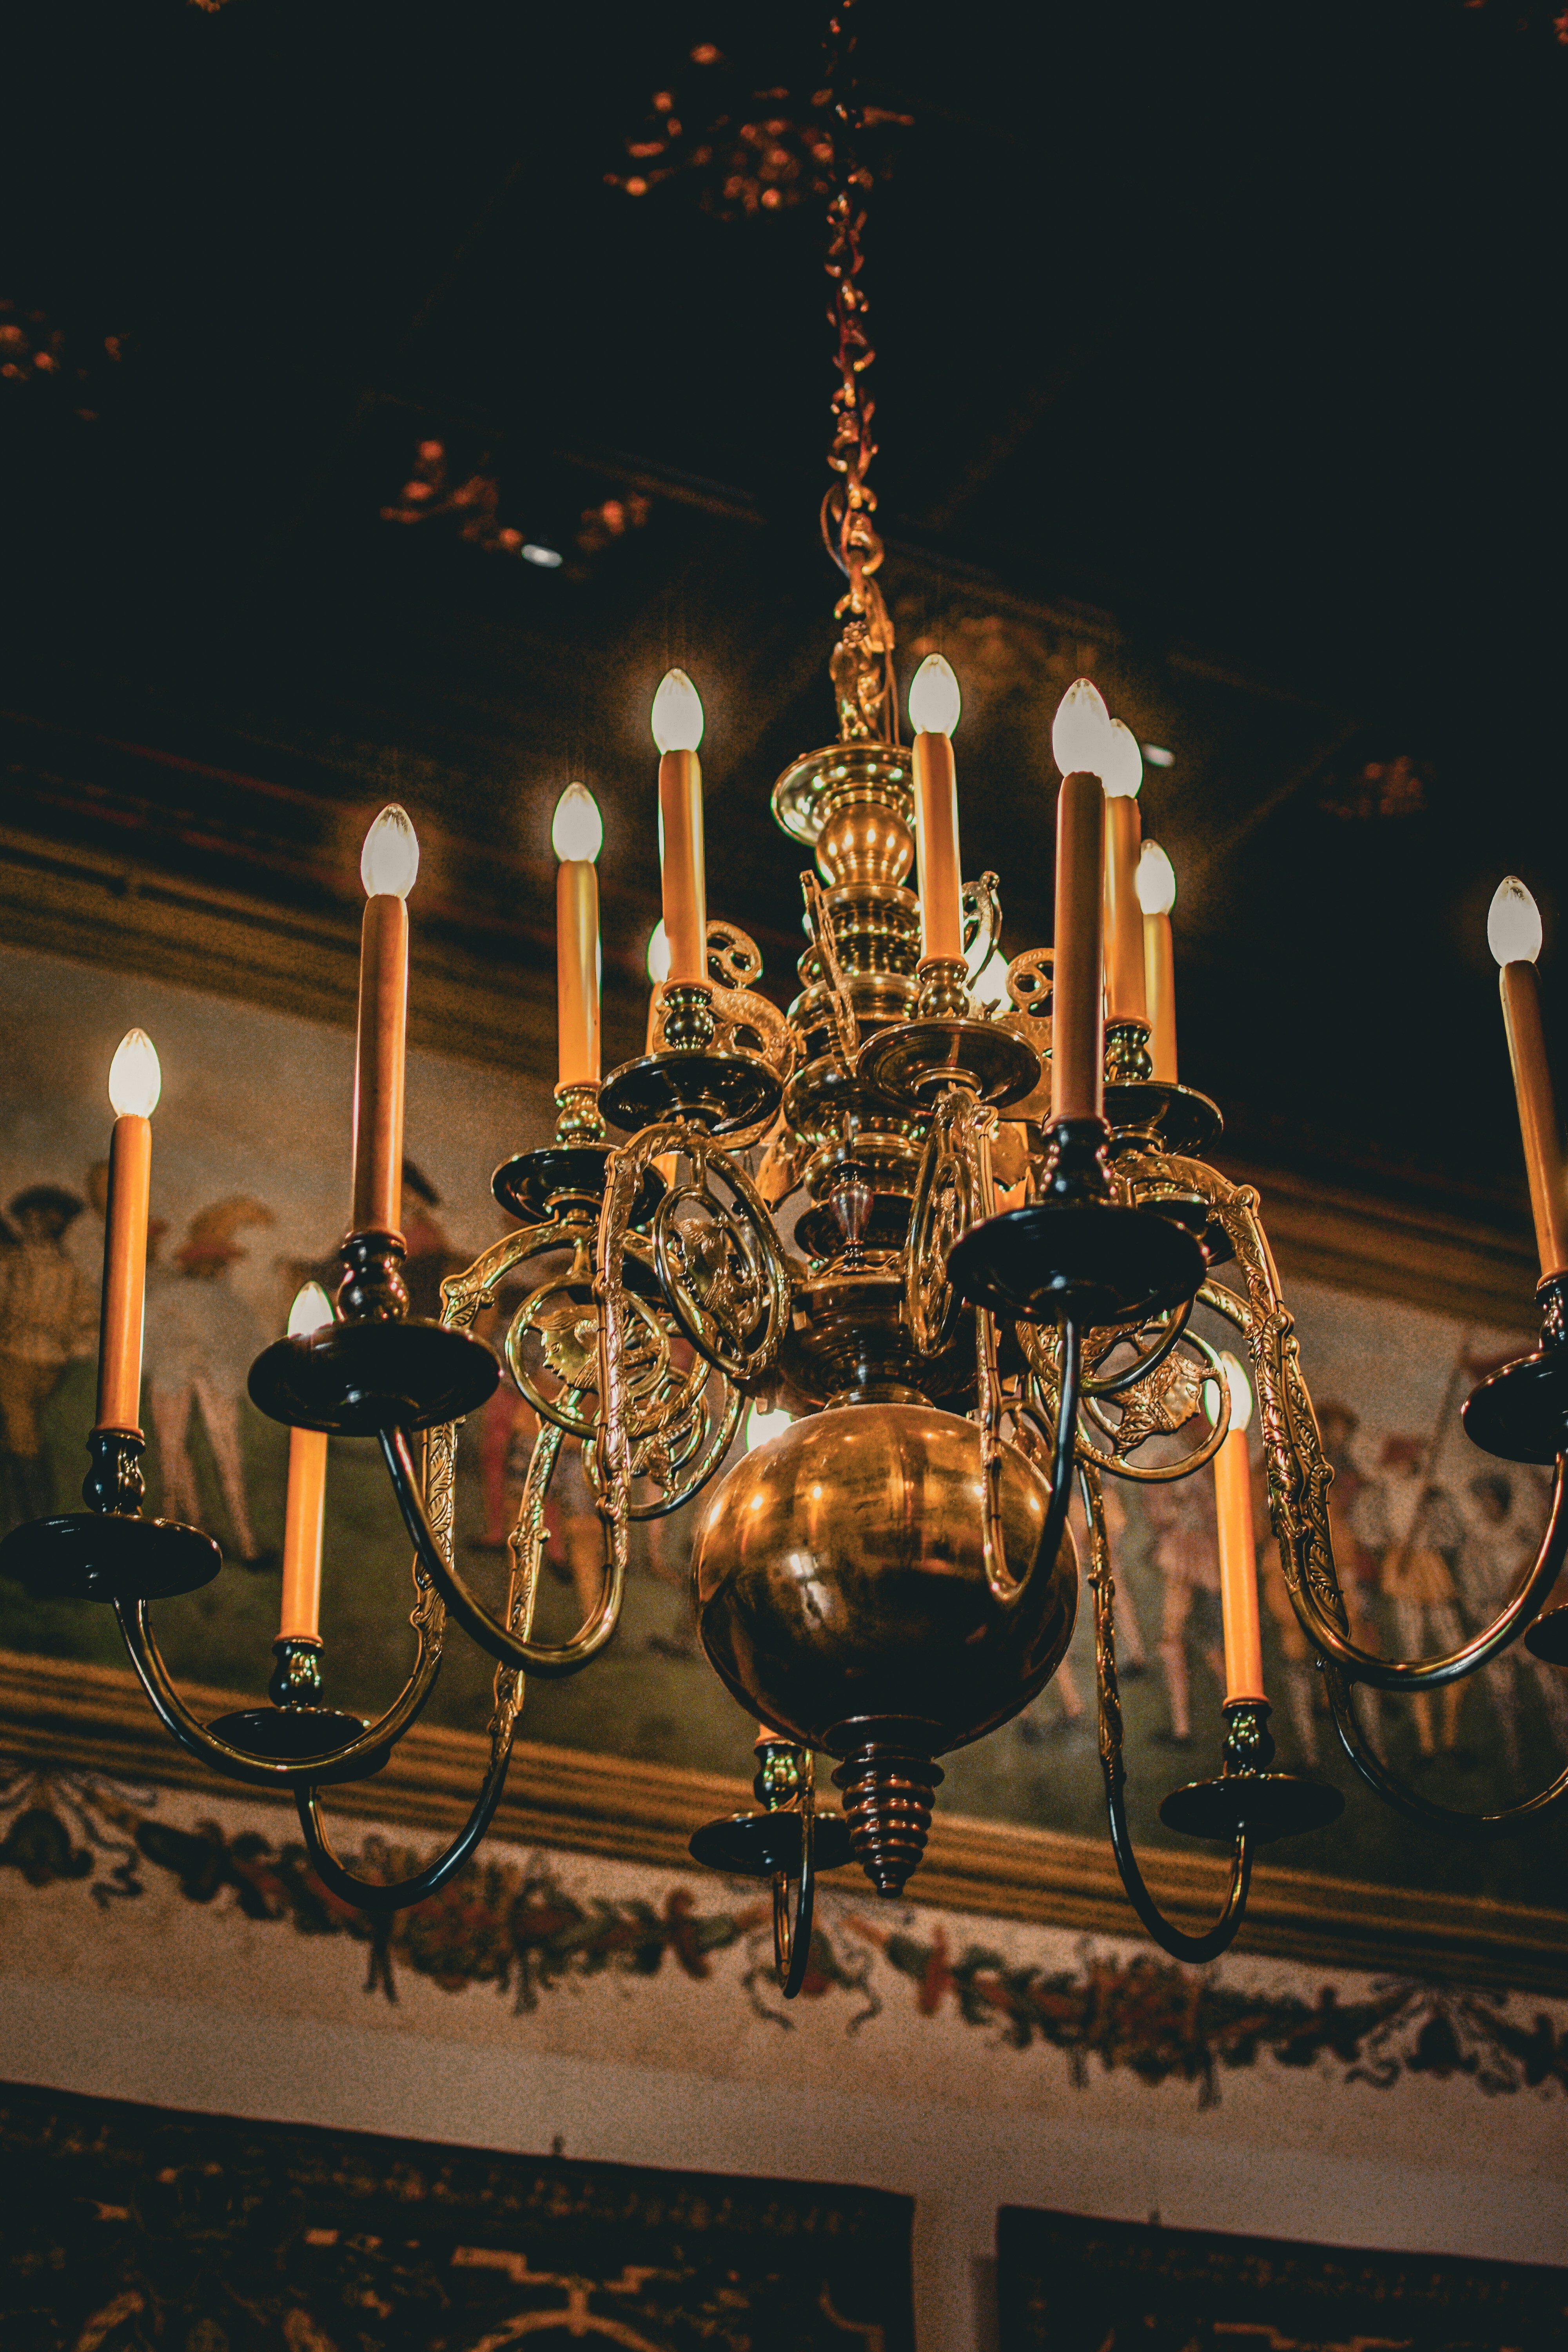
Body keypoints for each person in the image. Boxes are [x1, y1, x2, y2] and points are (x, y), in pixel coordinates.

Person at [145, 1198, 273, 1565]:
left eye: (221, 1264)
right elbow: (148, 1341)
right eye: (214, 1263)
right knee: (172, 1454)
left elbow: (251, 1345)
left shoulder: (229, 1303)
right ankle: (181, 1532)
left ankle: (244, 1541)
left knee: (226, 1457)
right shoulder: (170, 1297)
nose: (219, 1270)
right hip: (174, 1378)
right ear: (196, 1263)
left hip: (215, 1380)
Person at [1358, 1434, 1465, 1766]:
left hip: (1431, 1568)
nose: (1400, 1466)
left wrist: (1429, 1528)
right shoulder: (1379, 1495)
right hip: (1401, 1570)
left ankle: (1450, 1739)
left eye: (1405, 1460)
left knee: (1456, 1651)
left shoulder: (1433, 1495)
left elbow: (1454, 1534)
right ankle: (1427, 1745)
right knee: (1414, 1655)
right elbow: (1369, 1531)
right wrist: (1393, 1542)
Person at [1456, 1468, 1568, 1775]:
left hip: (1531, 1623)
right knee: (1505, 1699)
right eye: (1482, 1500)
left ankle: (1563, 1757)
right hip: (1497, 1625)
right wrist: (1494, 1614)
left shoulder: (1524, 1537)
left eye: (1491, 1498)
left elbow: (1546, 1577)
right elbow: (1472, 1593)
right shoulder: (1475, 1545)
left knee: (1552, 1694)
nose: (1487, 1505)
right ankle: (1516, 1765)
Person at [0, 1185, 98, 1524]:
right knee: (16, 1438)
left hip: (26, 1360)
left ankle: (35, 1520)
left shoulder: (63, 1271)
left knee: (24, 1439)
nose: (37, 1224)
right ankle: (20, 1518)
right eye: (33, 1219)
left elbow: (88, 1320)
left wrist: (70, 1344)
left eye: (44, 1219)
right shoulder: (13, 1262)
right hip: (24, 1357)